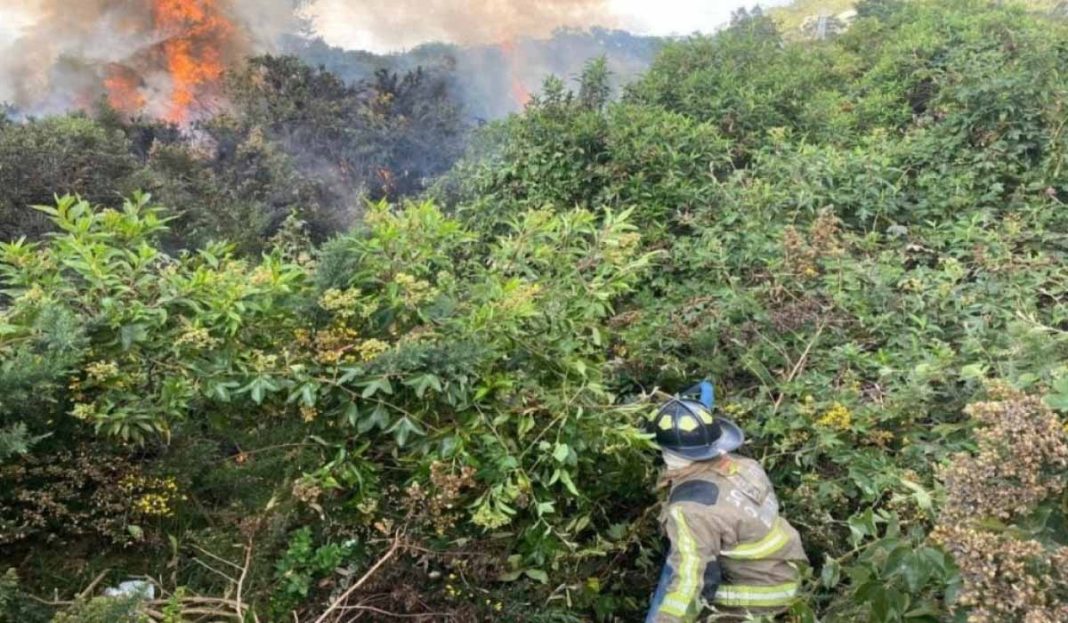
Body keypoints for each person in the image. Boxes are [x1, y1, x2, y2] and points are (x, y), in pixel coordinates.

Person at [644, 381, 807, 622]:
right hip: (790, 572)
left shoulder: (689, 509)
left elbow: (689, 584)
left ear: (667, 452)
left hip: (761, 597)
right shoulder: (745, 466)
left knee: (690, 600)